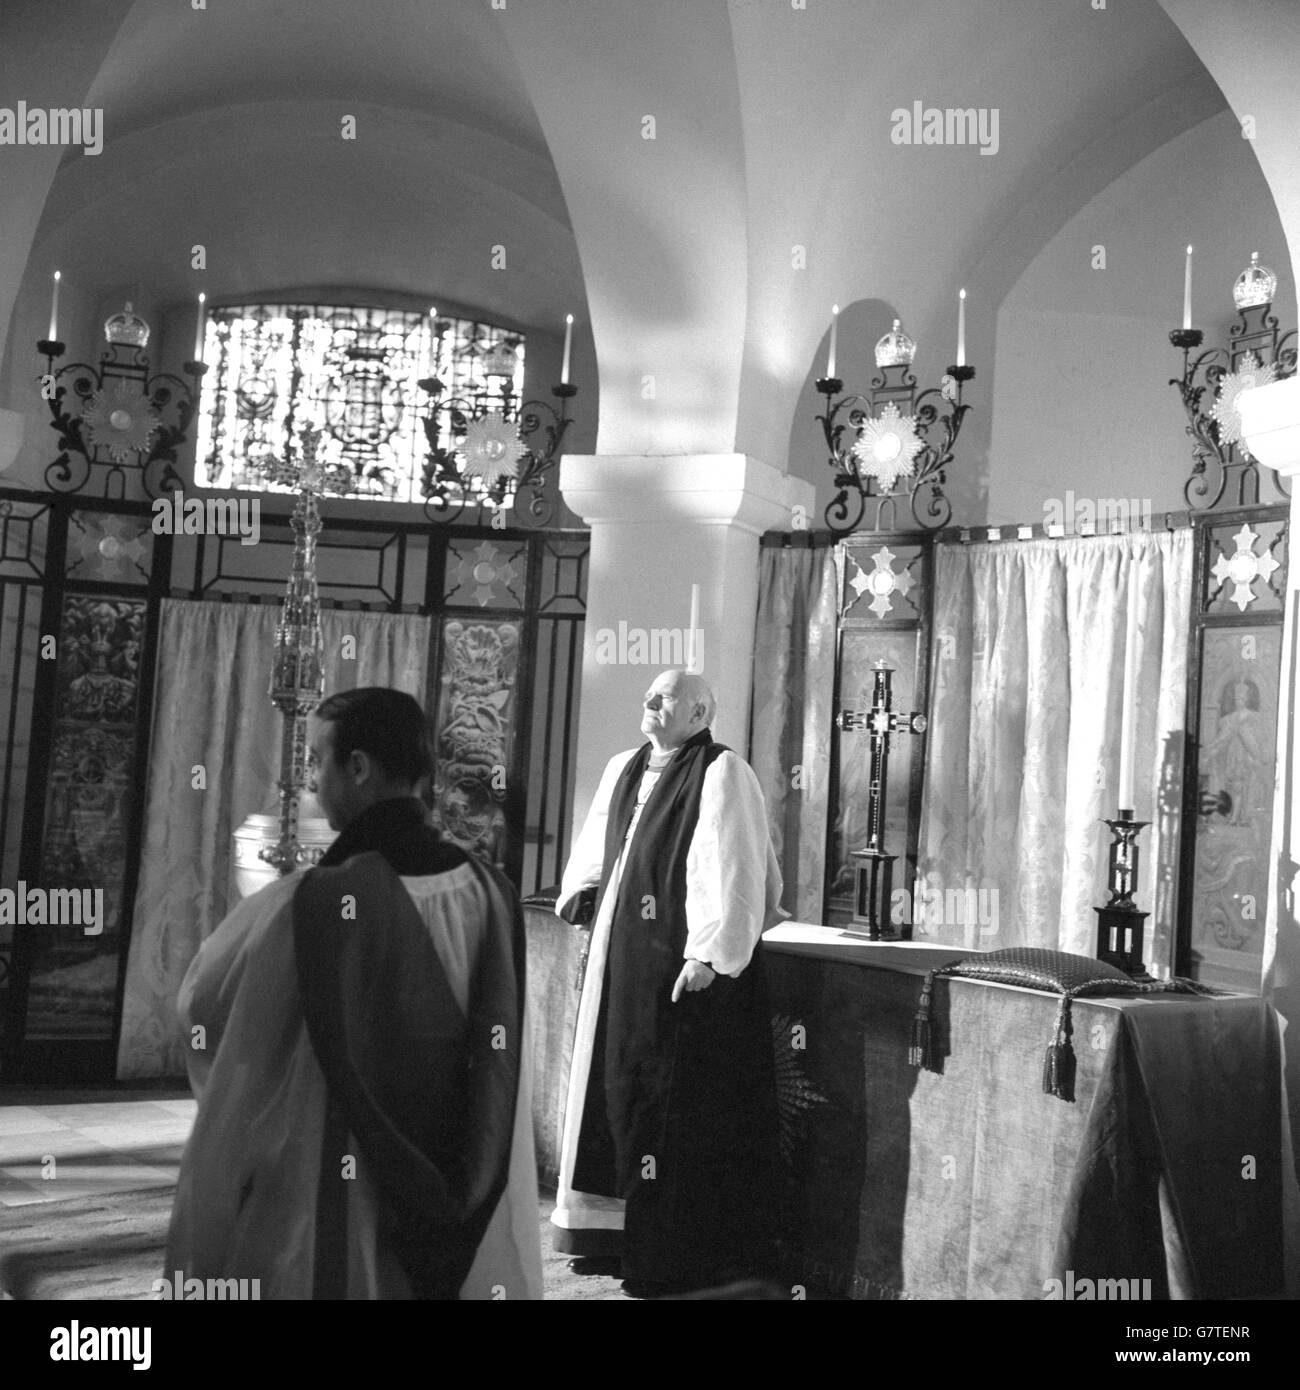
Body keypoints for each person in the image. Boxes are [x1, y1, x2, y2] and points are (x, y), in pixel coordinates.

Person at [164, 686, 543, 1300]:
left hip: (339, 1164)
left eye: (317, 761)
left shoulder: (309, 903)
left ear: (359, 767)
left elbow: (203, 1010)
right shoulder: (491, 893)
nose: (311, 782)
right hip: (467, 1157)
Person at [551, 668, 785, 1296]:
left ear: (700, 714)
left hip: (675, 964)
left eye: (667, 698)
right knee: (612, 1083)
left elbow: (733, 867)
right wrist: (581, 893)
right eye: (650, 695)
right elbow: (600, 847)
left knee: (663, 1096)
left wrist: (710, 952)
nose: (651, 703)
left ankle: (670, 1247)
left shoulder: (722, 771)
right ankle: (608, 1232)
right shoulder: (624, 766)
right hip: (618, 952)